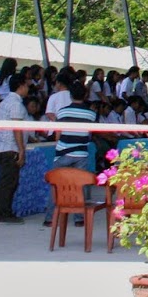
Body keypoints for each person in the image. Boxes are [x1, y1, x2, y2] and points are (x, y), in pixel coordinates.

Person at [47, 83, 99, 230]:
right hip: (81, 154)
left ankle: (50, 218)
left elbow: (58, 133)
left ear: (70, 95)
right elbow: (89, 134)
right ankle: (79, 218)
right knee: (80, 185)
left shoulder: (62, 112)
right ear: (85, 95)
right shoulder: (91, 114)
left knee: (56, 185)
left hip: (62, 152)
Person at [0, 75, 30, 224]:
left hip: (4, 147)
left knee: (8, 182)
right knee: (8, 183)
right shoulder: (15, 104)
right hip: (11, 148)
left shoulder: (4, 102)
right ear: (21, 86)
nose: (28, 89)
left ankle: (5, 212)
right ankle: (3, 214)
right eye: (26, 85)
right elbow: (16, 128)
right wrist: (21, 150)